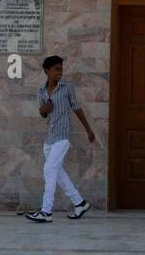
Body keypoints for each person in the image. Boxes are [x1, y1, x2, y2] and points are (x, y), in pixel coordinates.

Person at [23, 55, 96, 223]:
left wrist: (89, 130)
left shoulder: (67, 87)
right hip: (50, 137)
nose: (60, 72)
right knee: (58, 172)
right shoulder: (42, 91)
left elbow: (77, 108)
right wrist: (44, 109)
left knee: (49, 170)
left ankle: (46, 212)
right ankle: (80, 203)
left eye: (61, 69)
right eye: (56, 69)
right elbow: (42, 114)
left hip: (63, 136)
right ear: (47, 71)